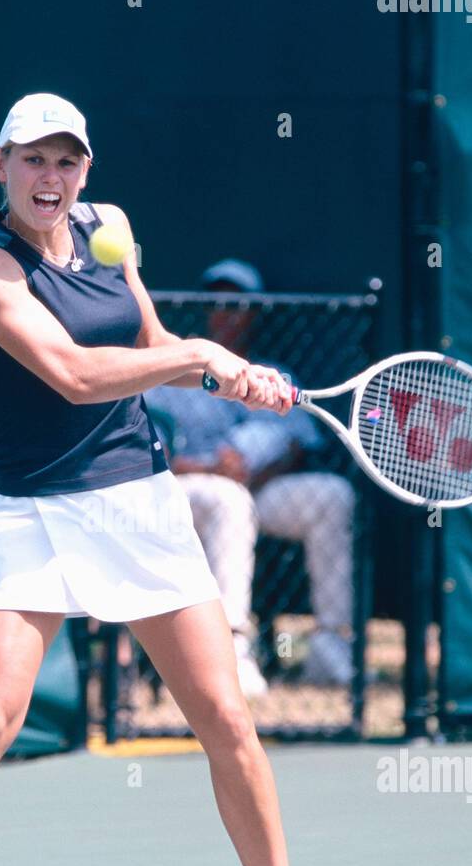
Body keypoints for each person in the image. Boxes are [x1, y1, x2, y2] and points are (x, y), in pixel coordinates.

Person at [0, 92, 357, 866]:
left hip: (139, 501)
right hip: (31, 514)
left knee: (225, 718)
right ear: (0, 166)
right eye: (32, 161)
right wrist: (199, 357)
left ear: (85, 170)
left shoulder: (111, 228)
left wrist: (233, 377)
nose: (50, 179)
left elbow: (149, 340)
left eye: (66, 162)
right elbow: (72, 372)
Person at [147, 261, 356, 689]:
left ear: (255, 313)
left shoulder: (273, 375)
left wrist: (253, 471)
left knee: (333, 495)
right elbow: (148, 452)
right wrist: (212, 468)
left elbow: (299, 448)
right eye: (218, 304)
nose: (227, 314)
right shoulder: (171, 371)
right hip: (187, 491)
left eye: (238, 305)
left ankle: (331, 646)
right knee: (228, 501)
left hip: (259, 490)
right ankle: (231, 652)